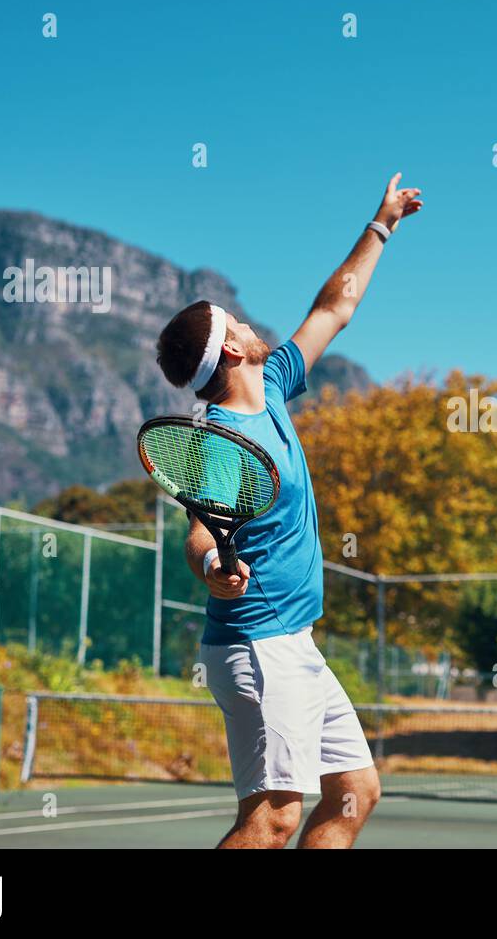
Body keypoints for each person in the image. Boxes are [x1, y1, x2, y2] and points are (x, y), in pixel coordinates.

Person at [154, 173, 423, 848]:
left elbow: (336, 307)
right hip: (258, 643)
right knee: (272, 821)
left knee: (355, 793)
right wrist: (215, 561)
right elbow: (196, 534)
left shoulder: (272, 386)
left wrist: (382, 225)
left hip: (294, 640)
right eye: (241, 323)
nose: (253, 324)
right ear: (234, 349)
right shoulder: (221, 442)